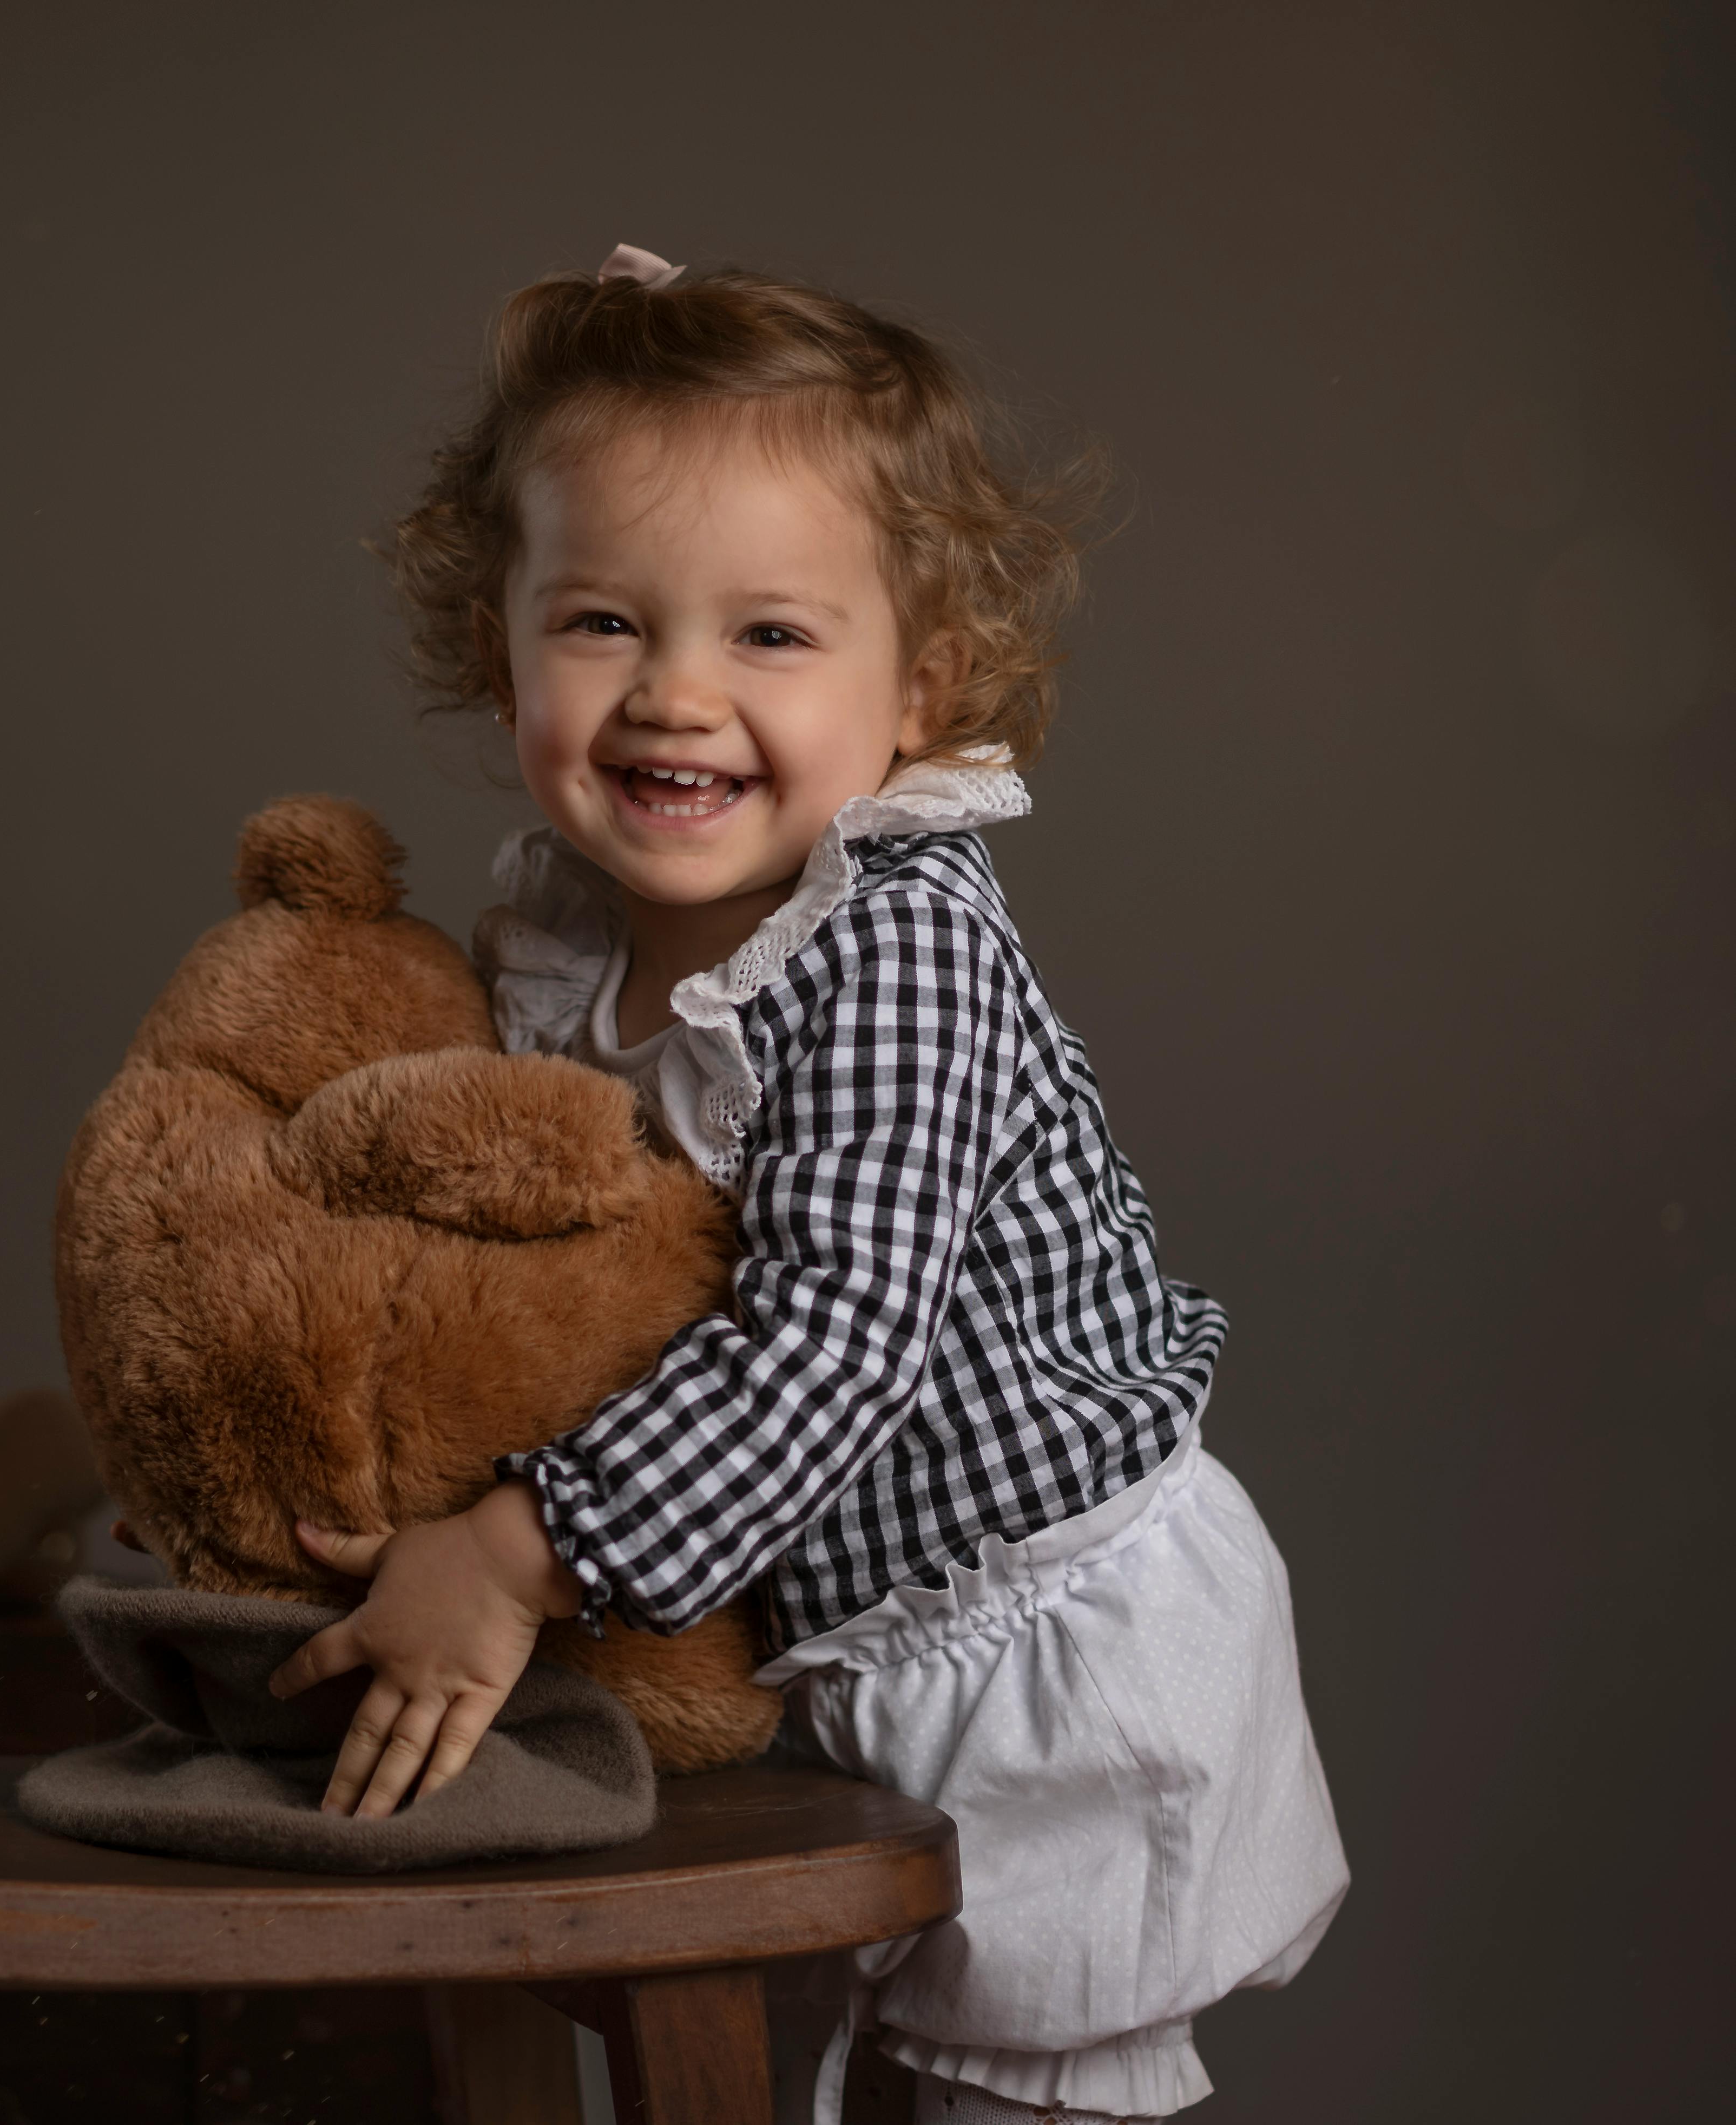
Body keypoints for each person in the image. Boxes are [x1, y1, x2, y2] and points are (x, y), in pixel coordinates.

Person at [266, 244, 1346, 2123]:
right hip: (804, 1621)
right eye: (602, 622)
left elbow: (832, 1338)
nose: (674, 696)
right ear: (495, 647)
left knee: (1026, 2085)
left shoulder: (893, 944)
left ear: (918, 688)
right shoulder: (563, 931)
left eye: (769, 635)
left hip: (1032, 1636)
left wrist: (512, 1556)